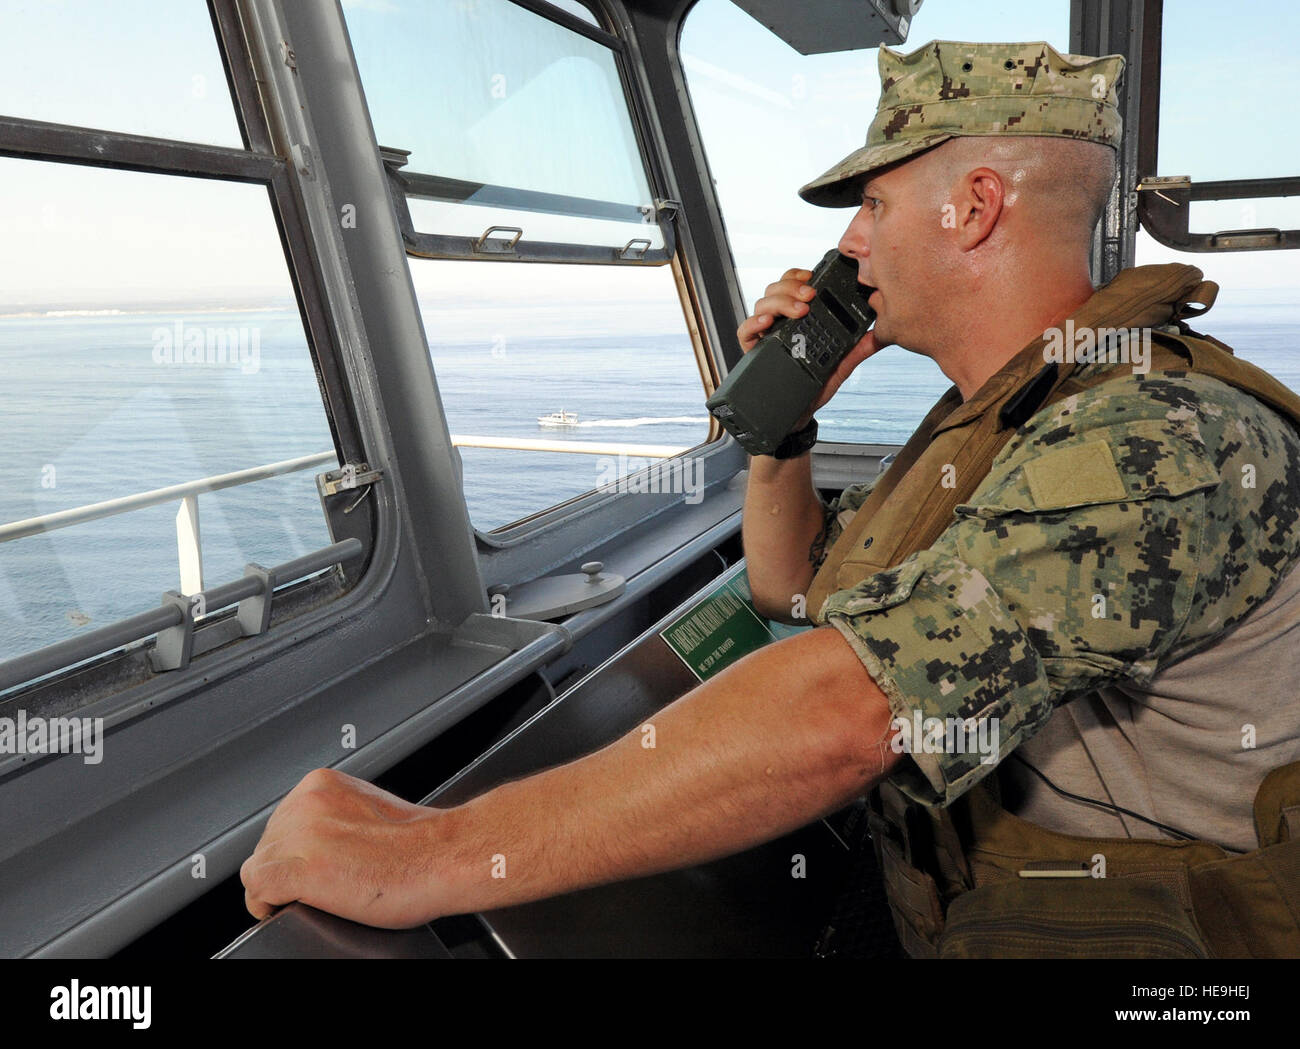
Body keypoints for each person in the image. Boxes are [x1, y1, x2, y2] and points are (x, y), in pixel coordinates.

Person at [241, 40, 1300, 954]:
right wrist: (784, 422)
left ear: (973, 207)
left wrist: (426, 851)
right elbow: (788, 584)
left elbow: (850, 711)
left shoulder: (1156, 437)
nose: (850, 244)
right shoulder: (1004, 416)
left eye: (875, 205)